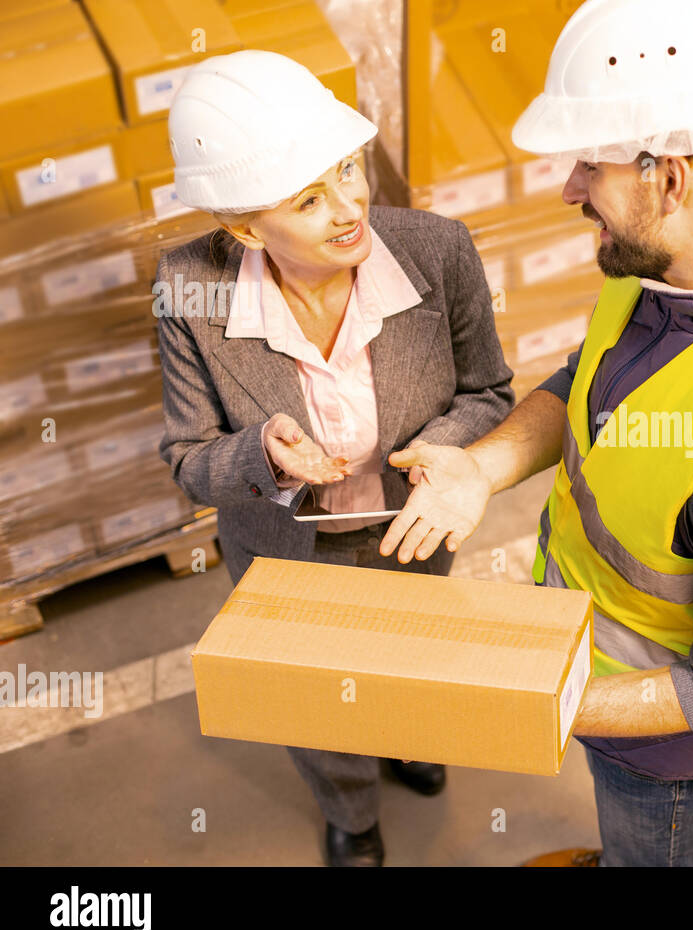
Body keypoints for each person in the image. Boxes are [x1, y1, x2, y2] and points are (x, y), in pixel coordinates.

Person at [382, 0, 693, 867]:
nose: (571, 189)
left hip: (676, 739)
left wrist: (536, 695)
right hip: (607, 658)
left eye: (592, 164)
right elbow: (591, 381)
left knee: (652, 846)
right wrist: (480, 468)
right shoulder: (684, 271)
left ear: (669, 177)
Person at [154, 50, 514, 866]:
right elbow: (187, 456)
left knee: (418, 665)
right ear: (243, 227)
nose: (349, 206)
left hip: (411, 532)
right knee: (321, 704)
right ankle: (352, 815)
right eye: (309, 198)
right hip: (286, 553)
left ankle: (415, 741)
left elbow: (490, 393)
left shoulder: (438, 251)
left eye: (347, 170)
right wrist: (263, 458)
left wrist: (445, 451)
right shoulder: (190, 290)